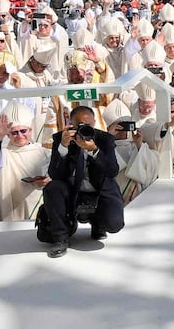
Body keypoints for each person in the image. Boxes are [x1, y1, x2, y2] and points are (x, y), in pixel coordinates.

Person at [36, 104, 125, 247]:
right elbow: (54, 174)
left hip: (99, 189)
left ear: (94, 123)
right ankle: (60, 237)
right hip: (72, 190)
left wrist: (94, 150)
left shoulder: (104, 139)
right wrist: (63, 147)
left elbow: (112, 171)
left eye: (88, 125)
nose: (84, 129)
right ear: (71, 125)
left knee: (114, 224)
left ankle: (98, 223)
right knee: (52, 187)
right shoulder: (62, 139)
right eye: (79, 125)